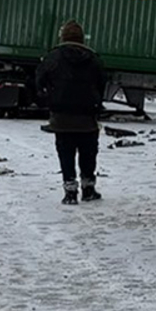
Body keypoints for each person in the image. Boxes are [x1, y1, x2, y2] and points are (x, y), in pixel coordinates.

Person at [35, 19, 106, 204]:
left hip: (61, 117)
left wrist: (49, 101)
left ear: (63, 37)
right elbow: (102, 83)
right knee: (88, 153)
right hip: (87, 117)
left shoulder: (52, 58)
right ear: (81, 38)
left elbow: (39, 81)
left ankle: (70, 192)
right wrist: (96, 103)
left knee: (66, 153)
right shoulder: (93, 59)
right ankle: (88, 188)